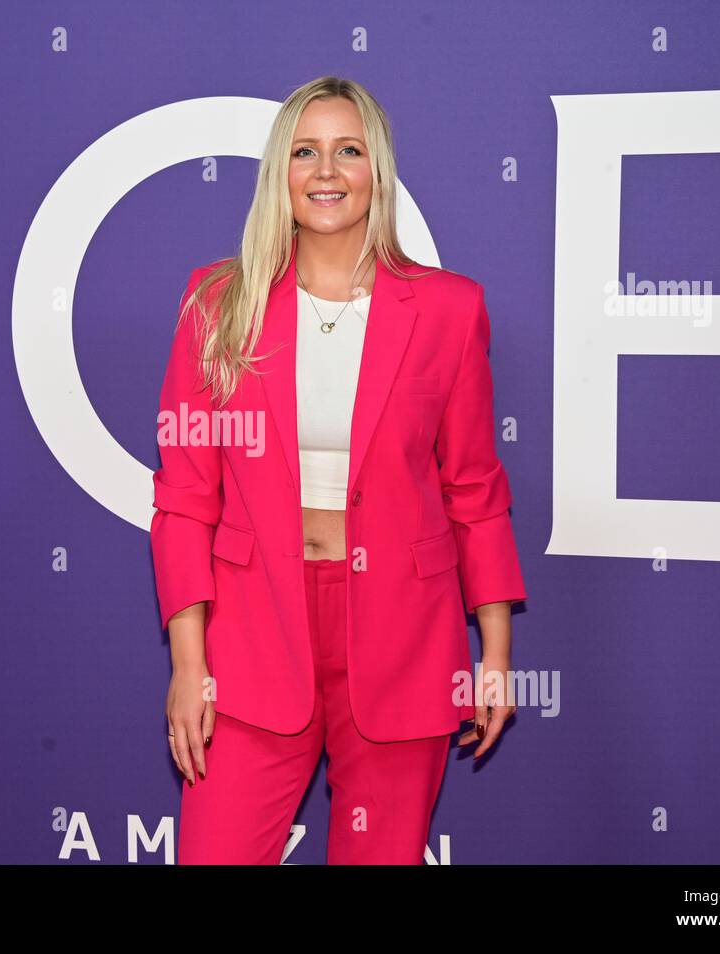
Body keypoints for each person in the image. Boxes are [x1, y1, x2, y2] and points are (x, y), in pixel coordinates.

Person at [150, 76, 527, 864]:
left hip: (403, 640)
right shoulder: (217, 303)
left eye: (348, 150)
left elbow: (474, 489)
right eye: (305, 152)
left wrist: (495, 655)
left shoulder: (449, 310)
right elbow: (185, 500)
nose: (326, 171)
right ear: (280, 173)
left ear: (376, 169)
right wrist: (190, 667)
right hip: (252, 636)